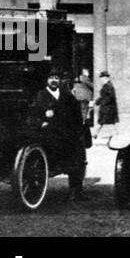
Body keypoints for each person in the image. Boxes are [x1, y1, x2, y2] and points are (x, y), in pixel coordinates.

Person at [29, 72, 87, 200]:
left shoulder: (67, 96)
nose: (54, 81)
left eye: (56, 78)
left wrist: (78, 129)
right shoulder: (40, 96)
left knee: (77, 156)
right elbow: (32, 115)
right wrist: (41, 122)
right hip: (49, 133)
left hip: (67, 133)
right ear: (46, 81)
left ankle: (76, 191)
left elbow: (76, 114)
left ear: (60, 81)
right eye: (51, 78)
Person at [94, 72, 118, 142]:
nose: (101, 80)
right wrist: (97, 102)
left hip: (107, 108)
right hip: (107, 107)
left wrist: (101, 102)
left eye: (101, 79)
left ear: (105, 78)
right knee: (107, 122)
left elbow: (110, 97)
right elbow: (104, 96)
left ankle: (95, 133)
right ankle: (115, 134)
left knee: (102, 121)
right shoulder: (107, 85)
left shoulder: (108, 86)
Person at [71, 68, 94, 143]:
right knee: (83, 112)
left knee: (82, 111)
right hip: (83, 98)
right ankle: (82, 124)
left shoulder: (78, 79)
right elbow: (92, 85)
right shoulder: (84, 77)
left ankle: (81, 123)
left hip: (80, 97)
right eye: (87, 71)